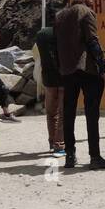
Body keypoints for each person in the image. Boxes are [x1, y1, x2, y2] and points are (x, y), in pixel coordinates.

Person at [56, 0, 105, 169]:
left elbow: (56, 46)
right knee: (91, 114)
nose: (92, 1)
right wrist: (104, 68)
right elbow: (93, 42)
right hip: (87, 70)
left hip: (67, 71)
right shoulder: (86, 13)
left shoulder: (60, 16)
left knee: (69, 113)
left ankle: (70, 156)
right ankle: (95, 157)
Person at [33, 11, 64, 156]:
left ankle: (52, 141)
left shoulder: (41, 35)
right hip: (64, 78)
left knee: (51, 112)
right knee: (63, 113)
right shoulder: (65, 34)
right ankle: (60, 145)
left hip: (48, 78)